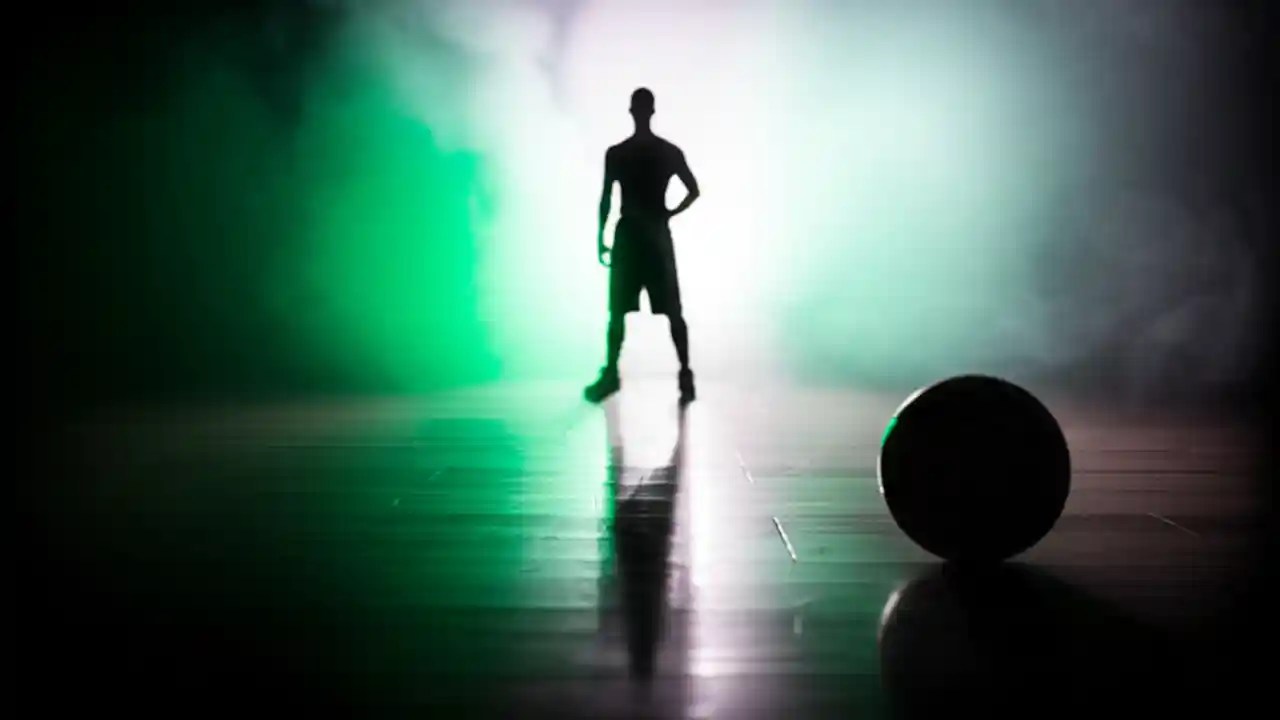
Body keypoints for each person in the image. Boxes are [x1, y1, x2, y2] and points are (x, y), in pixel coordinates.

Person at [584, 87, 700, 404]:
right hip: (654, 235)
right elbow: (694, 190)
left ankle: (612, 374)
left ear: (634, 111)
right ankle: (685, 376)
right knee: (669, 311)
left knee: (619, 312)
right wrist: (669, 213)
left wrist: (601, 238)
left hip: (631, 236)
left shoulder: (618, 153)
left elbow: (607, 198)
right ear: (651, 111)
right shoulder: (667, 152)